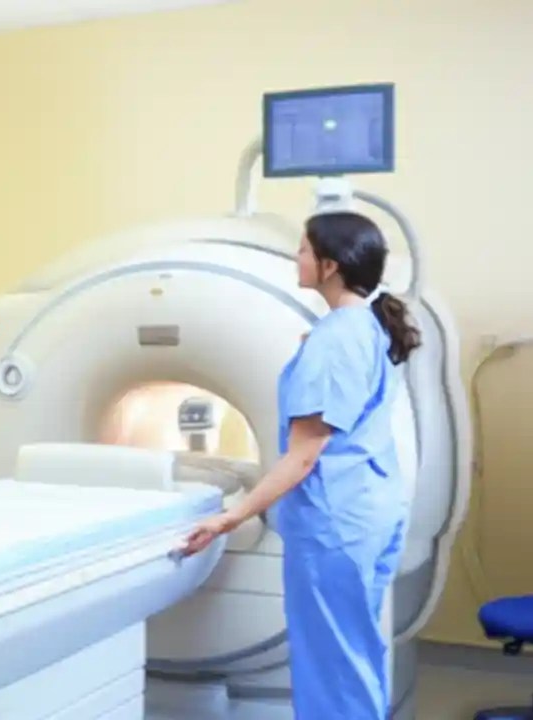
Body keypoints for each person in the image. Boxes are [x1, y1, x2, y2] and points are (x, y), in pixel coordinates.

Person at [181, 211, 421, 720]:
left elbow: (304, 456)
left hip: (334, 524)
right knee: (355, 655)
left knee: (333, 668)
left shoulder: (333, 341)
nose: (297, 258)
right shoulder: (363, 325)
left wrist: (231, 516)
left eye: (303, 250)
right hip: (370, 509)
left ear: (329, 265)